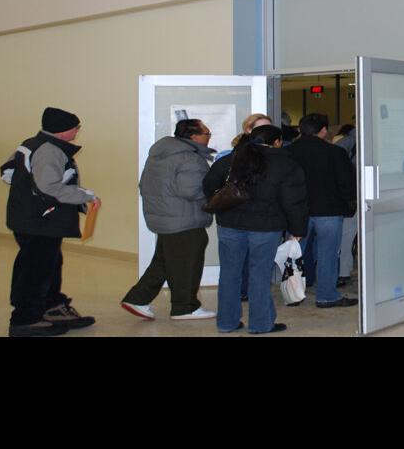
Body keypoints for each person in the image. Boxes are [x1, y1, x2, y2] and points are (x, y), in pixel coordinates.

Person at [1, 107, 98, 337]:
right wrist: (86, 196)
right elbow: (48, 187)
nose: (78, 130)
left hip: (30, 218)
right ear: (63, 130)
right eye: (76, 126)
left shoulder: (32, 143)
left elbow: (7, 172)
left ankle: (51, 307)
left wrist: (27, 194)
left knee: (49, 264)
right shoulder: (50, 150)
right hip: (40, 221)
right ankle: (25, 320)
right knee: (36, 270)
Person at [203, 125, 308, 334]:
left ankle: (226, 322)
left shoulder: (231, 160)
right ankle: (261, 324)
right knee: (259, 275)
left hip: (229, 224)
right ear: (277, 142)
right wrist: (297, 228)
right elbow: (293, 201)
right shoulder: (285, 164)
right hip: (266, 228)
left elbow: (208, 185)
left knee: (230, 273)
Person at [120, 119, 217, 321]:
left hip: (166, 218)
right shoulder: (189, 158)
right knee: (188, 263)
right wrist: (215, 190)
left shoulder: (160, 154)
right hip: (184, 220)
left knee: (164, 262)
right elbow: (191, 191)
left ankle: (138, 299)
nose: (209, 137)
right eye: (207, 133)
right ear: (193, 136)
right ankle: (185, 307)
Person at [288, 114, 358, 308]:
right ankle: (327, 296)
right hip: (329, 210)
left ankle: (293, 295)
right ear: (324, 130)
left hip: (297, 211)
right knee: (327, 253)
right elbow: (346, 183)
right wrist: (349, 205)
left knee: (294, 253)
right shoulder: (335, 152)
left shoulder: (288, 152)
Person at [214, 113, 273, 301]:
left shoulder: (277, 157)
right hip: (234, 217)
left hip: (261, 218)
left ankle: (244, 296)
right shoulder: (227, 157)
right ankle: (242, 298)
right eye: (261, 127)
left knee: (255, 265)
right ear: (248, 130)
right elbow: (211, 184)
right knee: (234, 267)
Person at [334, 125, 356, 286]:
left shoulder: (345, 142)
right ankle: (344, 271)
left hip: (347, 197)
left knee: (345, 236)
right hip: (356, 195)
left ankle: (343, 271)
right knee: (348, 235)